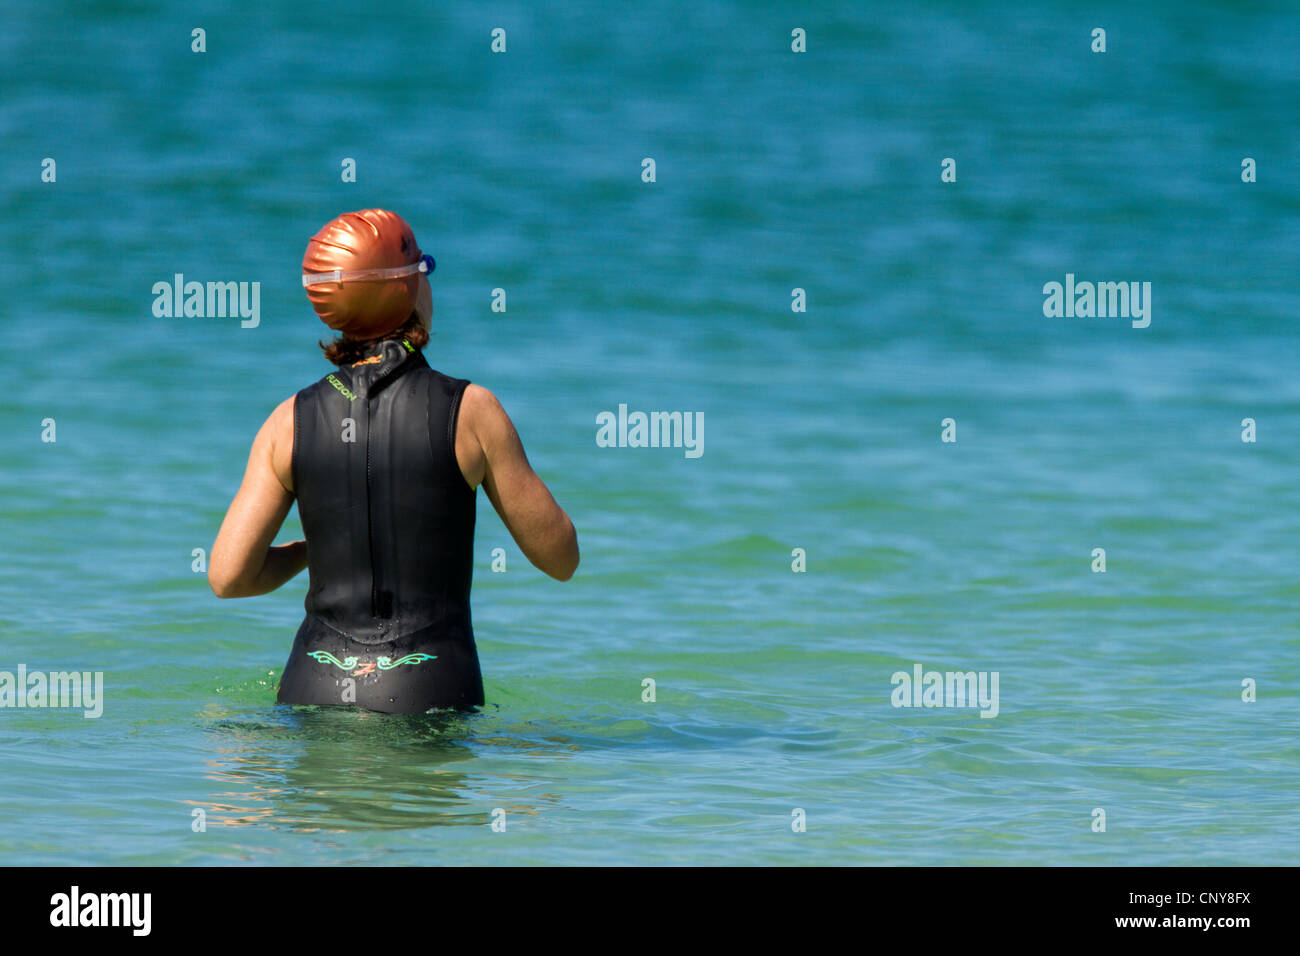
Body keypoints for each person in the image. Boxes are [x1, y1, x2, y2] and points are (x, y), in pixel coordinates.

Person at [209, 209, 578, 713]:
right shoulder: (471, 411)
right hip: (429, 690)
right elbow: (560, 559)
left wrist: (308, 550)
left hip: (313, 688)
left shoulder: (287, 421)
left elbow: (229, 578)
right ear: (404, 288)